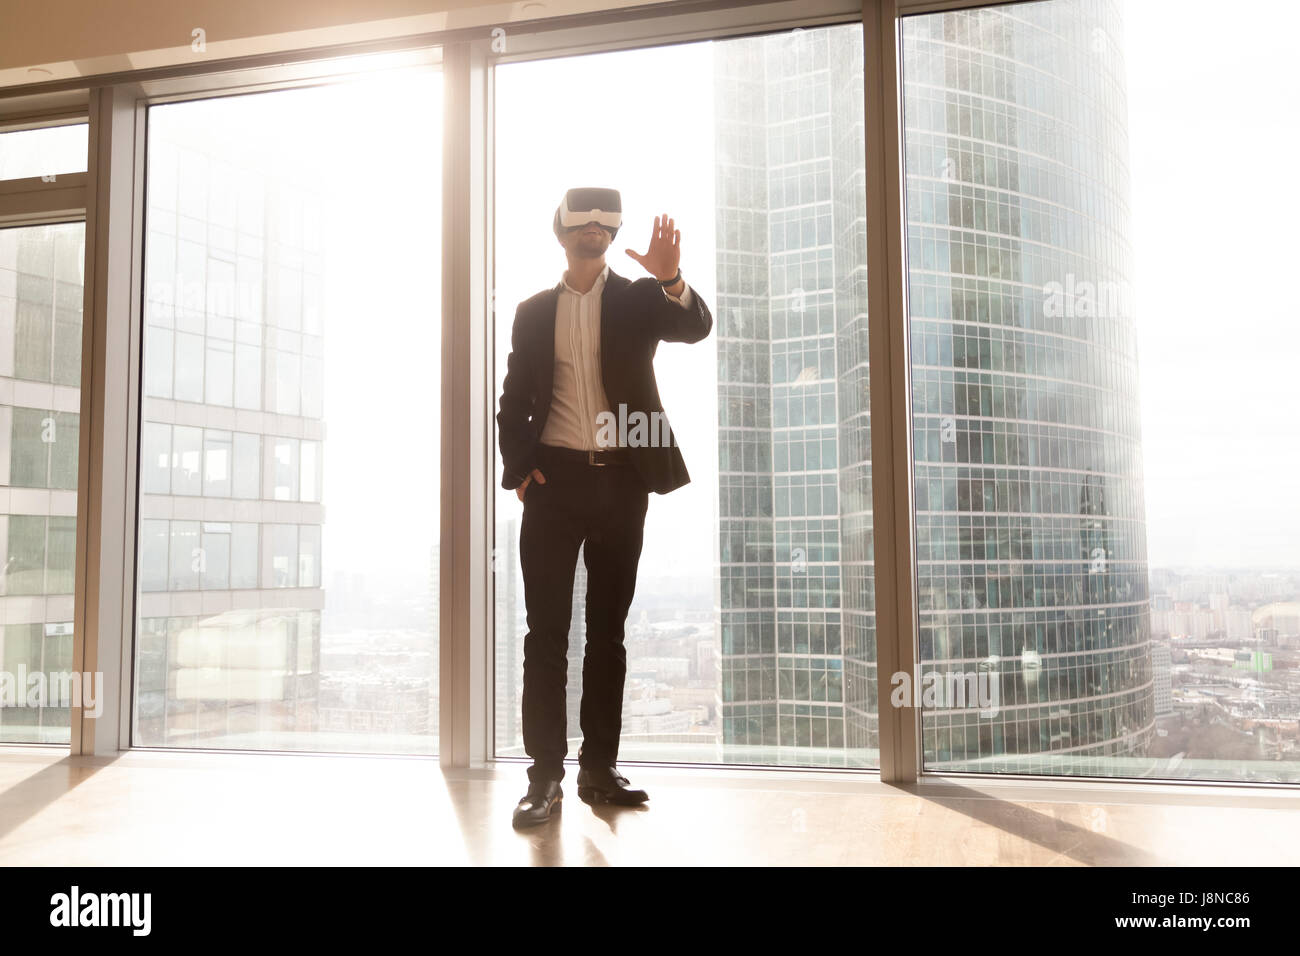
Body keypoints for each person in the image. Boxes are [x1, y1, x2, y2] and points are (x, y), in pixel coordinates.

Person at [498, 187, 713, 828]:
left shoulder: (641, 298)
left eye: (605, 219)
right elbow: (512, 395)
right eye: (582, 218)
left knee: (607, 634)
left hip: (622, 481)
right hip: (553, 485)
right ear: (562, 231)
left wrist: (671, 277)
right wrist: (519, 468)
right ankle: (544, 779)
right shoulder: (533, 311)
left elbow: (696, 327)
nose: (595, 227)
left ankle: (598, 769)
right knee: (545, 636)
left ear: (612, 233)